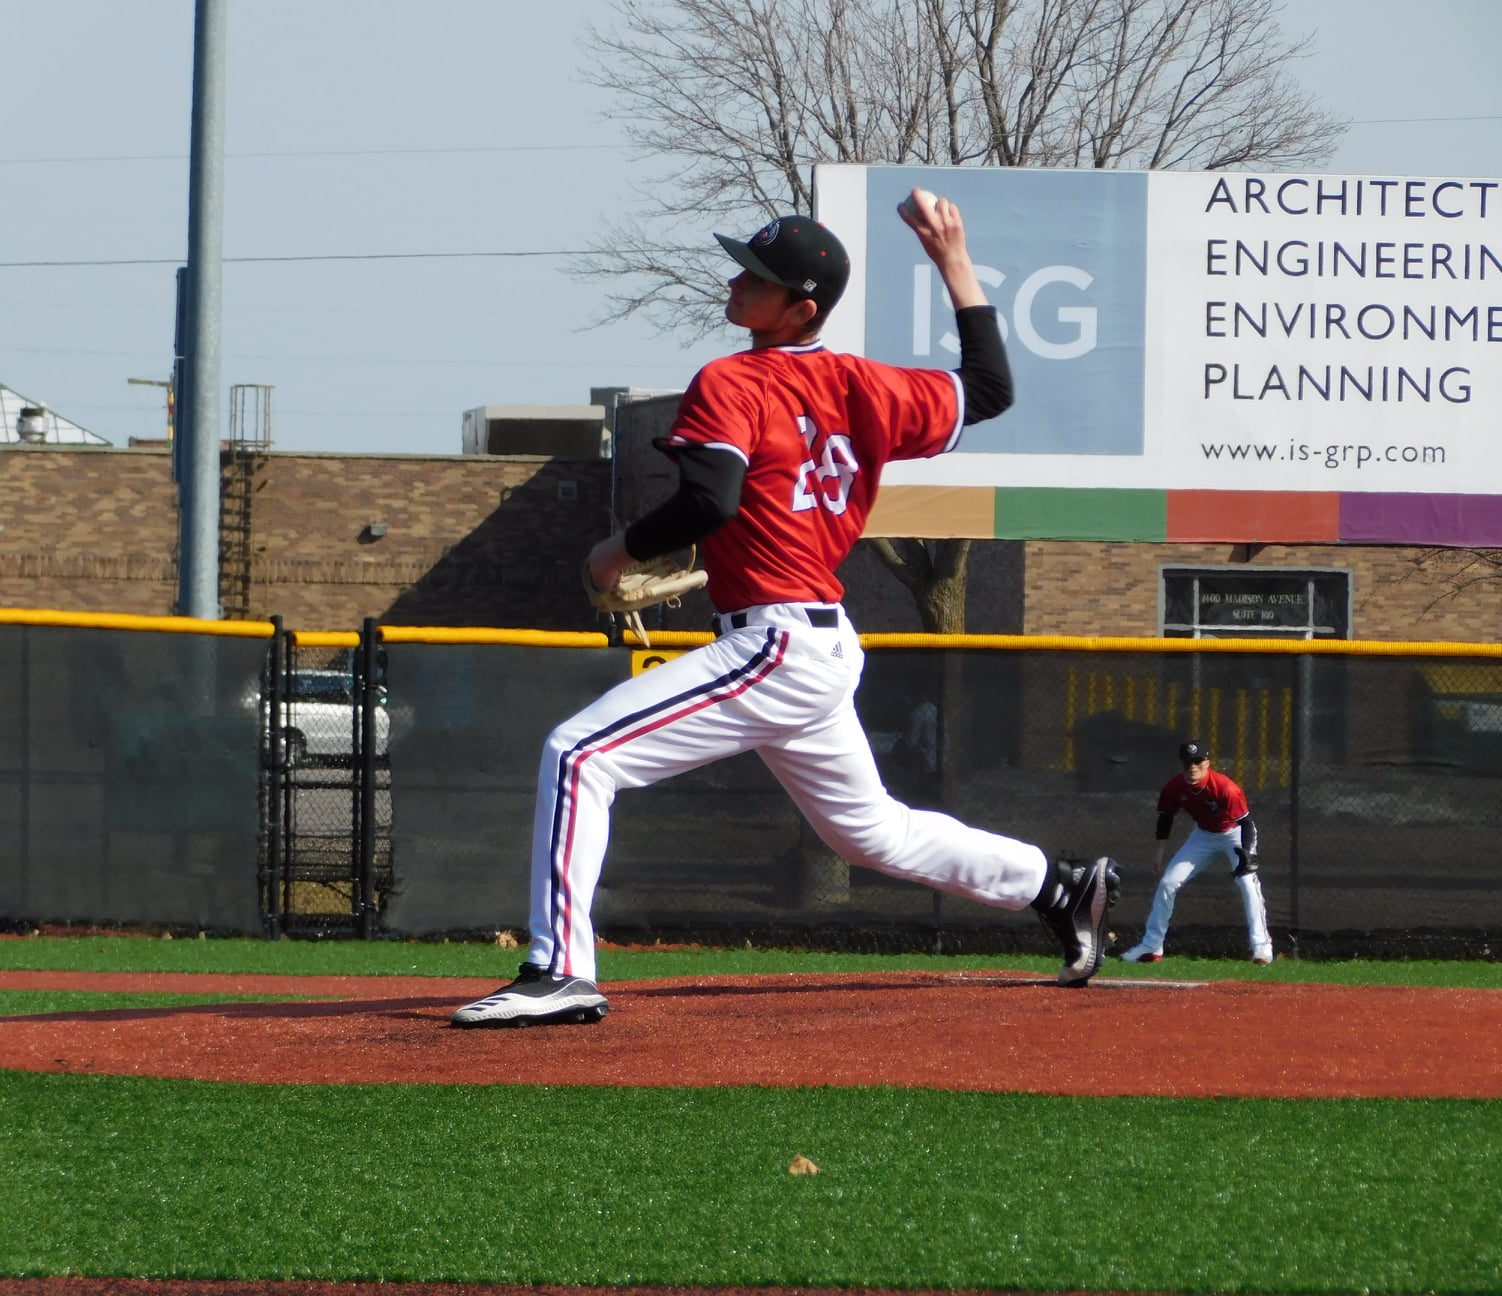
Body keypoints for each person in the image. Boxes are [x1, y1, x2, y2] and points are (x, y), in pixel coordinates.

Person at [454, 192, 1119, 1027]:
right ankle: (1058, 885)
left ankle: (558, 971)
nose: (738, 282)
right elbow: (987, 388)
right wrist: (954, 260)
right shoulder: (867, 386)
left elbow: (710, 500)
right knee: (870, 835)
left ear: (801, 307)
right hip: (816, 644)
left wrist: (611, 551)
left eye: (758, 277)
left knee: (579, 754)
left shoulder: (732, 379)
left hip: (773, 645)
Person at [1117, 739, 1273, 965]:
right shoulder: (1174, 787)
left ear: (1207, 763)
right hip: (1204, 835)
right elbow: (1165, 818)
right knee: (1168, 883)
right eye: (1188, 762)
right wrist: (1159, 852)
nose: (1193, 767)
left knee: (1247, 883)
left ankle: (1262, 947)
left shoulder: (1226, 788)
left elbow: (1246, 823)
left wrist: (1247, 854)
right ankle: (1151, 946)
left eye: (1198, 762)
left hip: (1234, 832)